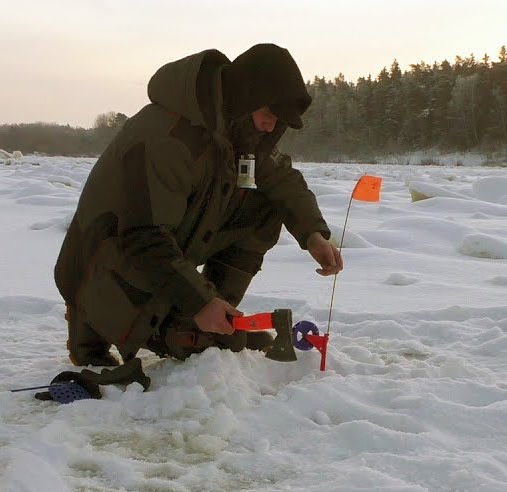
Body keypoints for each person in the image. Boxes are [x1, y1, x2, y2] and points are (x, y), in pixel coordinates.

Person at [54, 43, 343, 367]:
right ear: (245, 98)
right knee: (145, 308)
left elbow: (284, 182)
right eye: (269, 115)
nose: (271, 127)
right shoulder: (167, 138)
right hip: (102, 264)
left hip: (155, 258)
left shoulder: (238, 134)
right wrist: (199, 302)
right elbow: (144, 237)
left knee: (265, 208)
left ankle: (210, 321)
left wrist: (314, 234)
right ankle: (94, 324)